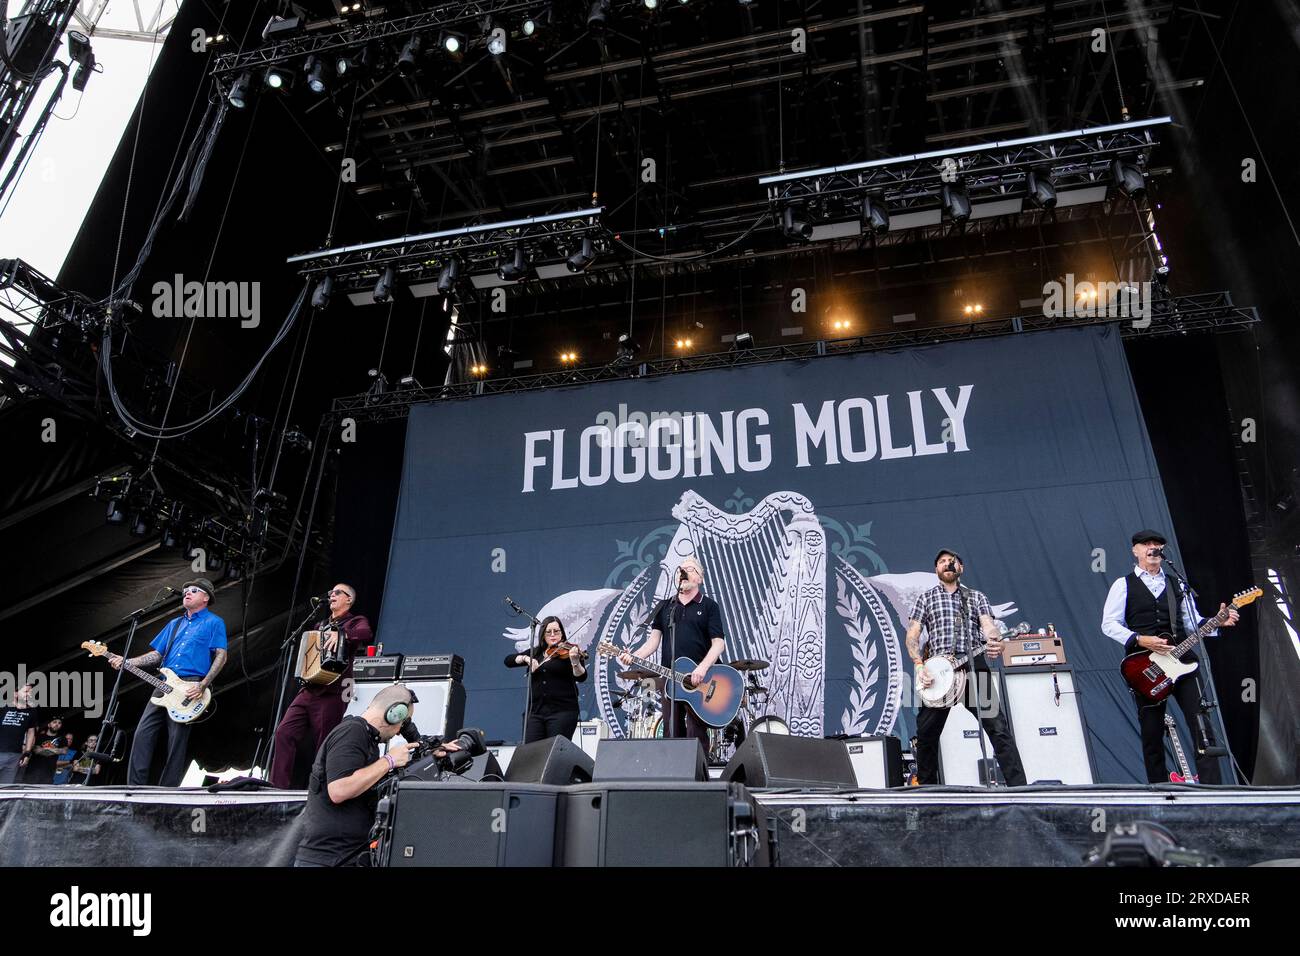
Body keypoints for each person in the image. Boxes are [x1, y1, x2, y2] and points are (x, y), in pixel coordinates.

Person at [1101, 529, 1238, 784]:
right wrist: (1139, 639)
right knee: (1152, 729)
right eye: (1146, 544)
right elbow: (1109, 624)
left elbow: (1193, 623)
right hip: (1144, 666)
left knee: (1200, 720)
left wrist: (1219, 621)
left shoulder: (1177, 584)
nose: (1152, 548)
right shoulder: (1123, 584)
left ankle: (1212, 788)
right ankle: (1159, 787)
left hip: (1182, 661)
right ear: (1136, 550)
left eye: (1157, 544)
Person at [293, 684, 459, 867]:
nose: (400, 730)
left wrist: (430, 754)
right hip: (328, 859)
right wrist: (389, 760)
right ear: (393, 714)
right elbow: (339, 790)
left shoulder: (366, 739)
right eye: (403, 722)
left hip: (348, 857)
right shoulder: (352, 732)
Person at [906, 549, 1027, 787]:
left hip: (973, 666)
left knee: (999, 729)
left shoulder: (975, 597)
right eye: (941, 562)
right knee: (926, 736)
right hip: (939, 671)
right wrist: (920, 666)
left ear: (960, 568)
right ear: (936, 570)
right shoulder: (926, 598)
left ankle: (1019, 789)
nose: (947, 564)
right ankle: (927, 793)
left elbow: (988, 626)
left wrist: (995, 640)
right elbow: (912, 635)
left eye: (952, 561)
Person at [109, 578, 228, 786]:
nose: (187, 593)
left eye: (193, 590)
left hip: (191, 685)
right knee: (142, 733)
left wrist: (203, 684)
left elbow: (221, 655)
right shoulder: (174, 624)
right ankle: (134, 787)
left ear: (205, 598)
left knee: (177, 741)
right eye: (185, 591)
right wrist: (127, 661)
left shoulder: (214, 622)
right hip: (163, 682)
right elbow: (156, 655)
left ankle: (168, 788)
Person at [619, 557, 726, 756]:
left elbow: (719, 643)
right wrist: (632, 656)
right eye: (680, 569)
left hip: (701, 680)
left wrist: (702, 668)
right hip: (671, 679)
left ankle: (698, 777)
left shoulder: (709, 606)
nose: (683, 572)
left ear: (700, 578)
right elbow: (652, 643)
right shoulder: (664, 607)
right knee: (671, 731)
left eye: (690, 569)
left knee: (696, 733)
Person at [270, 584, 373, 788]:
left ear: (348, 600)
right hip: (310, 687)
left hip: (335, 689)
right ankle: (277, 787)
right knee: (284, 732)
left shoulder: (355, 621)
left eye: (337, 593)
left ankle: (319, 789)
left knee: (324, 741)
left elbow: (365, 634)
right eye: (330, 593)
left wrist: (342, 634)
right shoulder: (321, 624)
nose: (331, 596)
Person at [504, 615, 587, 744]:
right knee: (531, 752)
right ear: (543, 634)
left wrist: (575, 661)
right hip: (535, 712)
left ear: (562, 633)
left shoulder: (570, 651)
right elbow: (508, 661)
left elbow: (581, 676)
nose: (553, 635)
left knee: (554, 752)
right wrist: (525, 659)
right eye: (548, 632)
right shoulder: (536, 652)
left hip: (562, 712)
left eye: (556, 631)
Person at [0, 683, 37, 784]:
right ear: (15, 694)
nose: (29, 694)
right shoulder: (3, 706)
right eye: (26, 691)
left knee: (6, 786)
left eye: (30, 693)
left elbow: (31, 732)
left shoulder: (31, 711)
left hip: (15, 755)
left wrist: (27, 753)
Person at [26, 716, 71, 784]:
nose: (57, 724)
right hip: (33, 769)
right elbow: (37, 751)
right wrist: (56, 750)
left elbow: (64, 751)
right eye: (54, 722)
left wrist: (44, 749)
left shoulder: (62, 739)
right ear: (49, 724)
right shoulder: (39, 736)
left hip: (49, 771)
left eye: (59, 723)